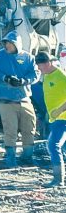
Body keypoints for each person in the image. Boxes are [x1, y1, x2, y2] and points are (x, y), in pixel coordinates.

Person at [0, 30, 37, 168]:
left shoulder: (28, 58)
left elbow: (35, 73)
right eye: (5, 43)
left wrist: (23, 81)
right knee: (10, 130)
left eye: (9, 43)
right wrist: (5, 78)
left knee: (29, 129)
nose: (6, 46)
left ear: (17, 44)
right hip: (6, 101)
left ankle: (27, 157)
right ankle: (10, 158)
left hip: (25, 100)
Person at [34, 51, 66, 188]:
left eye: (41, 67)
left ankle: (58, 179)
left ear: (48, 63)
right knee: (60, 146)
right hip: (54, 118)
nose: (39, 70)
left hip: (63, 117)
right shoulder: (46, 76)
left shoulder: (61, 77)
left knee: (53, 144)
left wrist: (59, 110)